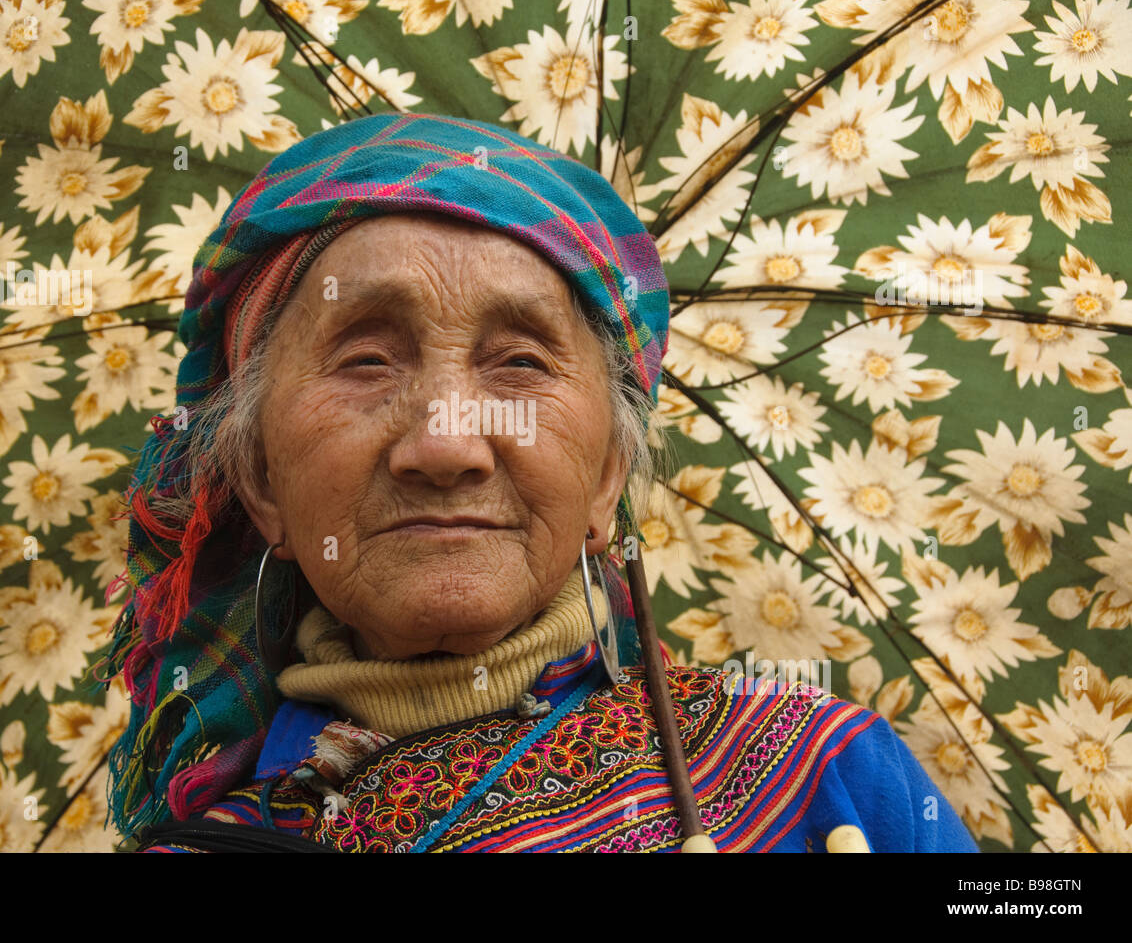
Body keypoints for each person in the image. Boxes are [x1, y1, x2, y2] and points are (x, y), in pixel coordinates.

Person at [102, 111, 978, 853]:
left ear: (606, 476)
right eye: (365, 359)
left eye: (520, 362)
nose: (447, 447)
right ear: (258, 476)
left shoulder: (825, 771)